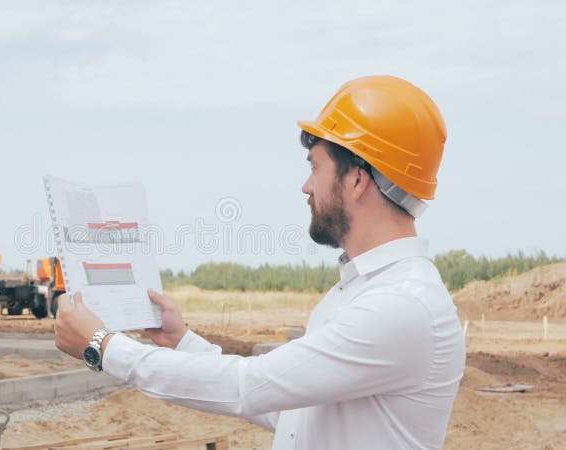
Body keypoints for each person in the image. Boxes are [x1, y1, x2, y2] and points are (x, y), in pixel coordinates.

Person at [54, 76, 466, 449]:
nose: (306, 186)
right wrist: (183, 341)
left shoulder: (401, 306)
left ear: (358, 179)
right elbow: (290, 411)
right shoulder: (363, 291)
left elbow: (247, 386)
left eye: (315, 167)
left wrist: (102, 347)